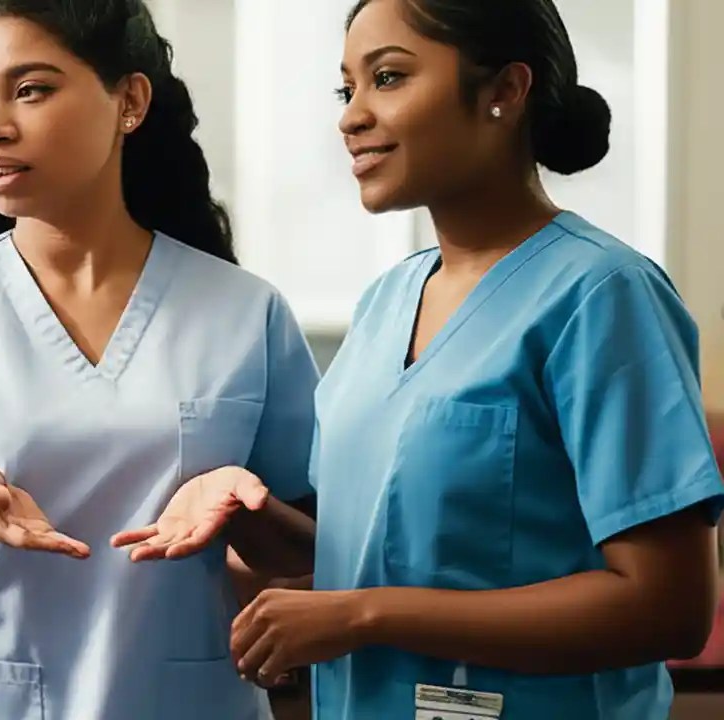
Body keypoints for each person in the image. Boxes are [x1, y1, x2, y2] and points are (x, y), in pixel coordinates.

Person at [227, 1, 724, 718]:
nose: (351, 117)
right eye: (347, 90)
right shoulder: (384, 304)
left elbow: (666, 607)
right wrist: (247, 518)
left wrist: (367, 614)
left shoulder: (602, 296)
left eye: (388, 78)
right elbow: (384, 549)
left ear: (505, 91)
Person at [0, 0, 319, 718]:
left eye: (30, 90)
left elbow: (314, 551)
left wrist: (237, 502)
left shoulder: (245, 314)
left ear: (129, 101)